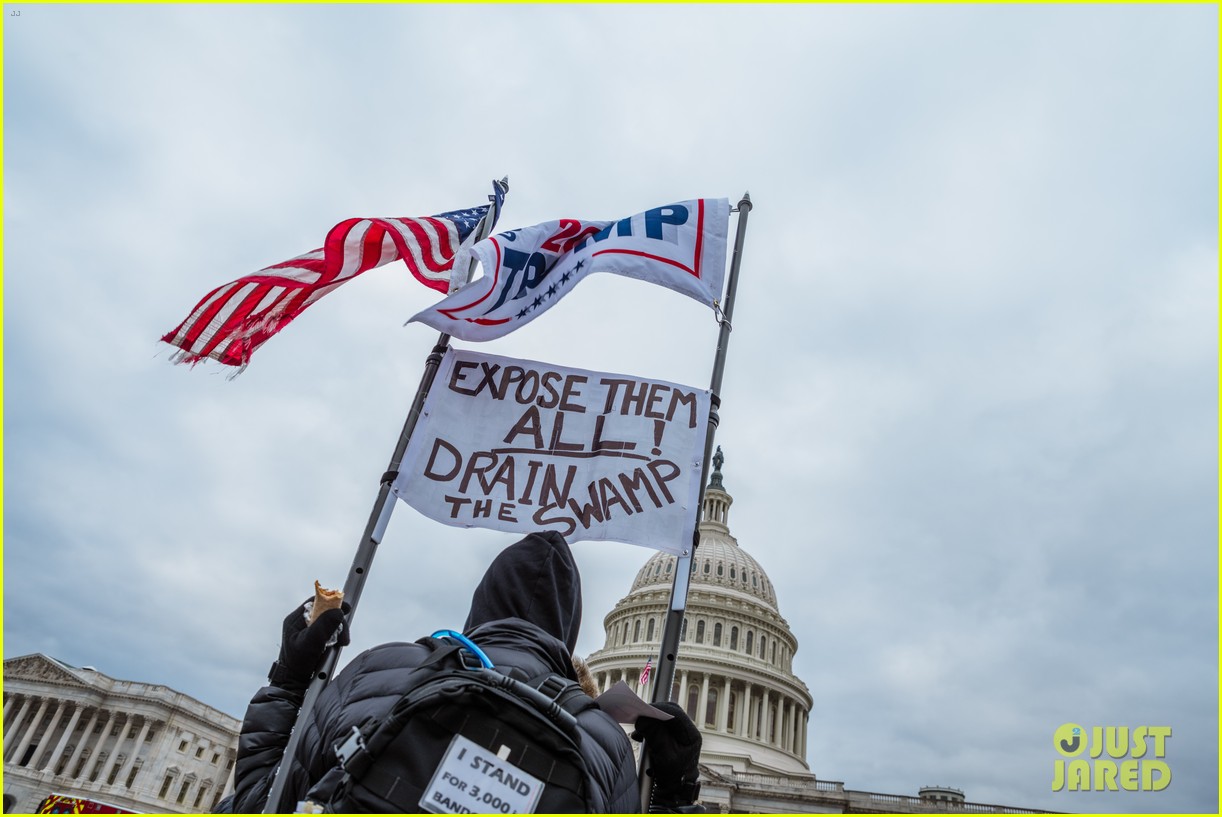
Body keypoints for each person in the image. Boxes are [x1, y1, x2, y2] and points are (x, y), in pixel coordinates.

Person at [225, 530, 703, 813]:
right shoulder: (607, 747)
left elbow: (258, 805)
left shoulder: (380, 671)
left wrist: (289, 681)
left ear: (481, 607)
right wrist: (670, 796)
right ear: (568, 634)